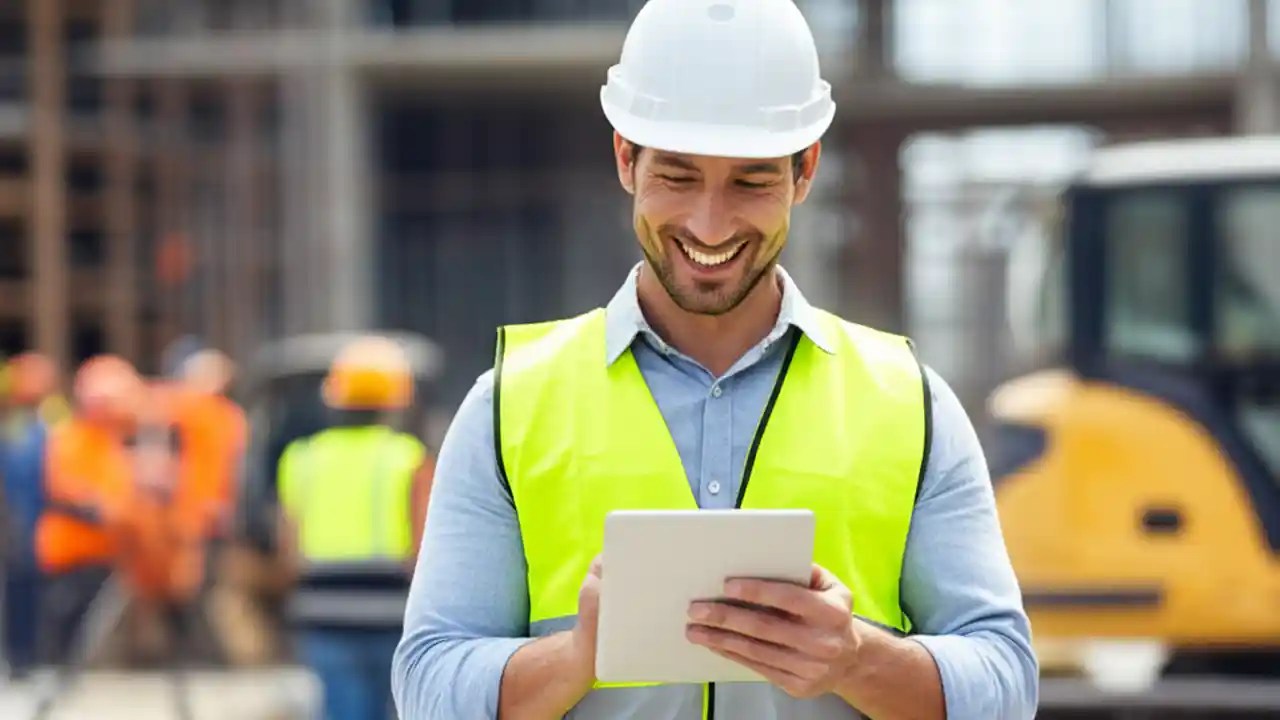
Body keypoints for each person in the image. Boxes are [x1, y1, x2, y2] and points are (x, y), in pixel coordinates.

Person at [392, 1, 1039, 718]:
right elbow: (428, 689)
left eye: (750, 181)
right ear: (625, 159)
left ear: (805, 171)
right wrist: (578, 657)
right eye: (678, 176)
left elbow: (1006, 686)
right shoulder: (510, 404)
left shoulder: (908, 403)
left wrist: (856, 658)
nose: (710, 223)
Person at [277, 336, 435, 720]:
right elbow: (424, 548)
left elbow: (287, 550)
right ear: (397, 401)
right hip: (393, 613)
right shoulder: (409, 458)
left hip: (324, 611)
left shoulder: (301, 457)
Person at [36, 356, 143, 666]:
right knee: (68, 628)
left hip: (107, 553)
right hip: (74, 554)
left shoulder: (113, 441)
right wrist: (109, 510)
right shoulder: (71, 438)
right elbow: (67, 490)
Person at [0, 353, 59, 677]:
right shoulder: (14, 425)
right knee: (17, 591)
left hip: (48, 519)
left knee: (44, 593)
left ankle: (40, 656)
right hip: (18, 520)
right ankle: (19, 658)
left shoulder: (53, 420)